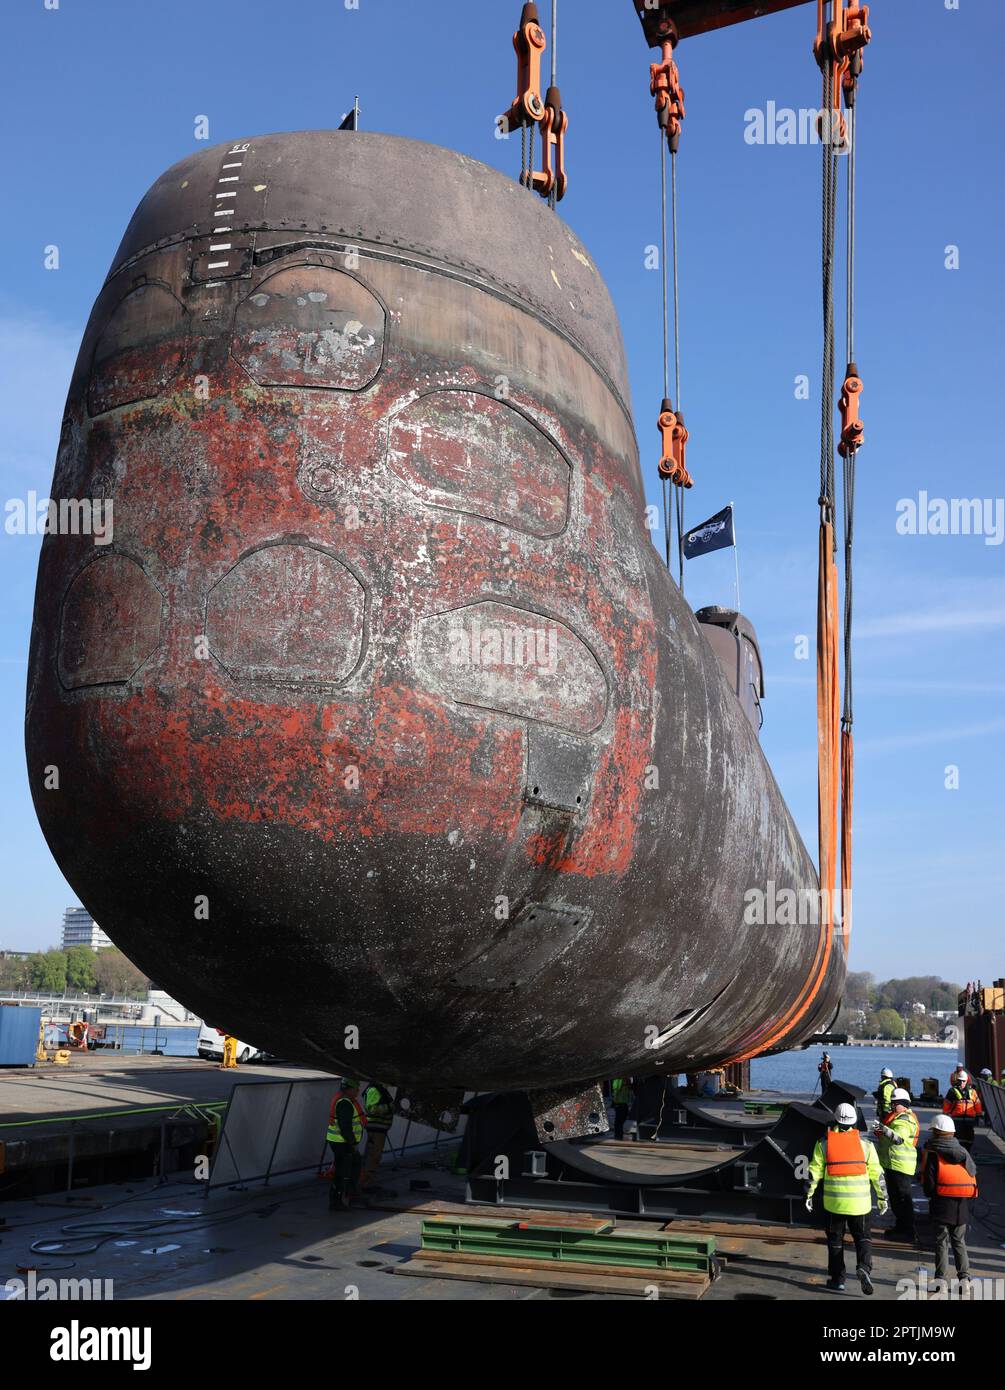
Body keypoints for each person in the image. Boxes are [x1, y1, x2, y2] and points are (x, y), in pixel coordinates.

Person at [806, 1101, 888, 1295]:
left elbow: (814, 1172)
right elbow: (877, 1174)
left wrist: (808, 1195)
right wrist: (882, 1198)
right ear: (854, 1121)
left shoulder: (824, 1144)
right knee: (863, 1238)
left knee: (835, 1241)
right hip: (860, 1205)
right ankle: (864, 1267)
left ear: (835, 1120)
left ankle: (838, 1280)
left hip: (834, 1205)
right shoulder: (866, 1145)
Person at [920, 1114, 978, 1289]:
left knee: (941, 1243)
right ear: (952, 1133)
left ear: (936, 1132)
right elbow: (972, 1173)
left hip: (941, 1206)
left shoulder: (933, 1154)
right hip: (961, 1207)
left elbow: (928, 1188)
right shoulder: (963, 1153)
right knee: (959, 1242)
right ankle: (964, 1280)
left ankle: (941, 1281)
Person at [872, 1087, 919, 1242]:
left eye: (895, 1103)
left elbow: (898, 1138)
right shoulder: (897, 1117)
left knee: (902, 1199)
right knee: (897, 1199)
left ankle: (907, 1231)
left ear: (904, 1104)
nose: (892, 1106)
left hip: (900, 1166)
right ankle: (901, 1227)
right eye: (892, 1103)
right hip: (893, 1165)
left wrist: (882, 1128)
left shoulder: (905, 1120)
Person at [326, 1078, 367, 1211]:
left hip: (341, 1142)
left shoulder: (346, 1101)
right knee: (343, 1172)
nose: (358, 1091)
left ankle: (346, 1196)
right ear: (349, 1089)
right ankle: (338, 1201)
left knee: (350, 1167)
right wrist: (352, 1143)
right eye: (356, 1089)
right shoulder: (345, 1104)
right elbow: (345, 1127)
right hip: (342, 1143)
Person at [361, 1080, 395, 1186]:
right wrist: (389, 1107)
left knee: (373, 1154)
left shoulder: (380, 1089)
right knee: (374, 1155)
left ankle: (366, 1179)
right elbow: (371, 1108)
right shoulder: (374, 1090)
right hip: (376, 1129)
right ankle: (366, 1182)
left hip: (379, 1128)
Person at [943, 1069, 982, 1151]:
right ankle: (959, 1151)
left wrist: (979, 1115)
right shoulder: (952, 1091)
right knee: (957, 1136)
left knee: (969, 1137)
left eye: (963, 1081)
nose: (961, 1083)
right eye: (960, 1081)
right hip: (957, 1119)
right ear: (957, 1081)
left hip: (970, 1119)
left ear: (966, 1081)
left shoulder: (972, 1092)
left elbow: (977, 1104)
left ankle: (967, 1150)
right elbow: (947, 1104)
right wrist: (945, 1116)